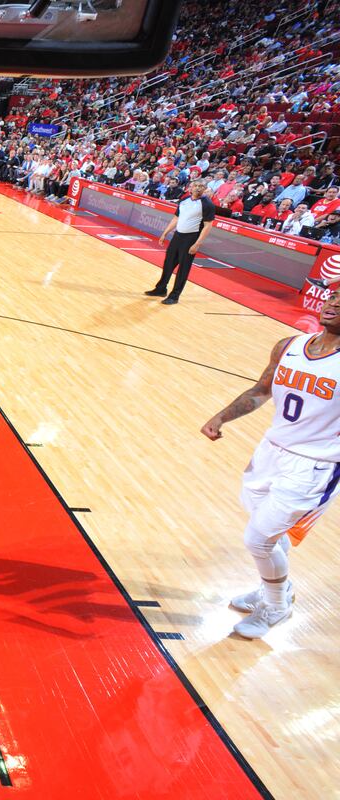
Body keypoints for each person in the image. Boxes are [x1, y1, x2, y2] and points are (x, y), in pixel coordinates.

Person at [200, 290, 340, 639]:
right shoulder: (289, 345)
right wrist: (222, 416)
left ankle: (277, 604)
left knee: (258, 539)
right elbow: (261, 390)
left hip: (315, 465)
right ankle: (273, 590)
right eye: (334, 295)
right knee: (264, 527)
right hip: (272, 451)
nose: (334, 302)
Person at [146, 178, 215, 306]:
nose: (198, 188)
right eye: (196, 185)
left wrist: (197, 243)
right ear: (190, 187)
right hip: (178, 236)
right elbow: (176, 218)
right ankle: (161, 289)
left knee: (183, 268)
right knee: (168, 264)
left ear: (205, 189)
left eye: (201, 186)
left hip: (191, 238)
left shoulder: (207, 204)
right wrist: (165, 232)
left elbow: (208, 225)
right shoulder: (184, 200)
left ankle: (174, 295)